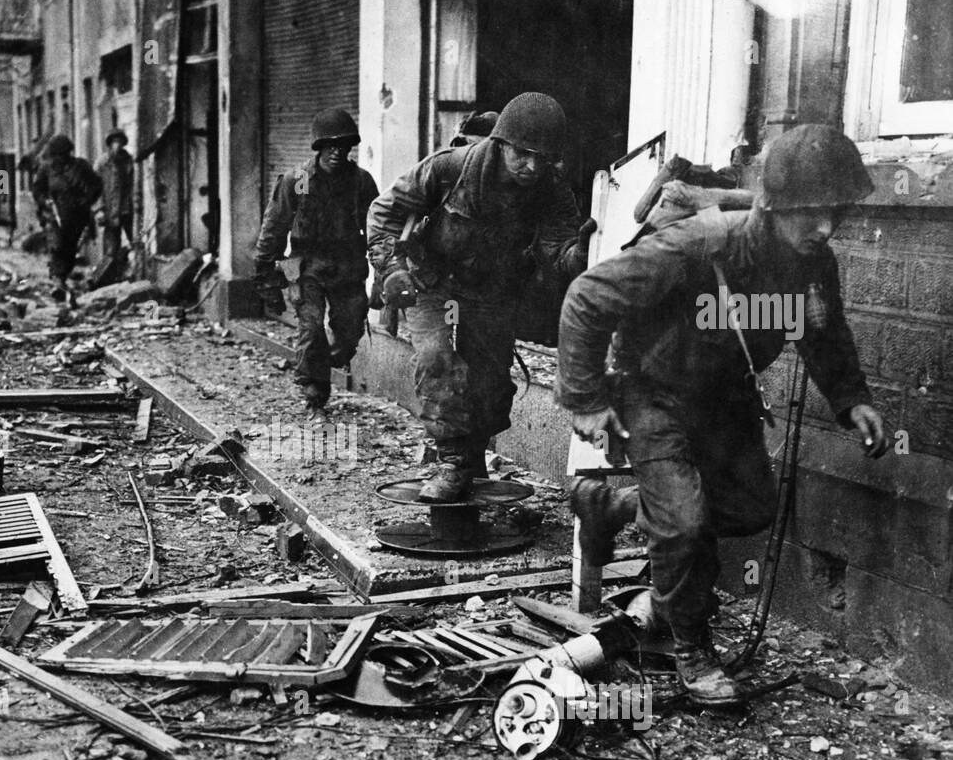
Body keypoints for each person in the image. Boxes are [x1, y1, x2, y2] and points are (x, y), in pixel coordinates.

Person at [556, 124, 888, 707]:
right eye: (811, 212)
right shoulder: (698, 245)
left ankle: (611, 504)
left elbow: (824, 334)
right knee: (684, 522)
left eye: (835, 211)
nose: (825, 227)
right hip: (652, 394)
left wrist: (851, 399)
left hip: (724, 399)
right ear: (774, 204)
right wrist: (586, 400)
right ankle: (690, 646)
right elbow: (587, 298)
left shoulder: (813, 264)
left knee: (749, 507)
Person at [367, 92, 593, 501]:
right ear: (501, 143)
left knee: (490, 386)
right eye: (523, 154)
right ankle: (451, 460)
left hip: (492, 290)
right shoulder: (449, 167)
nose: (532, 166)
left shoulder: (552, 191)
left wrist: (582, 252)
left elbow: (557, 254)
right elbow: (384, 213)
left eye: (543, 158)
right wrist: (391, 269)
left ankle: (468, 456)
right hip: (433, 282)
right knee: (436, 359)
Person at [253, 107, 380, 415]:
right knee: (311, 330)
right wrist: (264, 272)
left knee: (349, 332)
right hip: (308, 265)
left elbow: (379, 226)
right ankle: (315, 397)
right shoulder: (297, 181)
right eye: (330, 145)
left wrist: (384, 271)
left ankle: (330, 359)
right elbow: (275, 225)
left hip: (348, 265)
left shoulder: (361, 182)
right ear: (319, 147)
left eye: (344, 145)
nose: (338, 151)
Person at [31, 134, 102, 301]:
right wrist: (45, 201)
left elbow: (96, 185)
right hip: (54, 215)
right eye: (57, 155)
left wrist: (86, 200)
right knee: (57, 246)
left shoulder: (81, 166)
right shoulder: (46, 169)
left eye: (63, 154)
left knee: (70, 249)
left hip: (76, 216)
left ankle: (62, 278)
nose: (60, 158)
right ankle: (58, 281)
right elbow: (37, 190)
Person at [95, 128, 134, 285]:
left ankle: (137, 276)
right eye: (114, 142)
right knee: (111, 249)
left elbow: (134, 184)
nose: (117, 145)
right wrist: (99, 209)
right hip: (110, 211)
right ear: (110, 144)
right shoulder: (102, 163)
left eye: (120, 142)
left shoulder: (129, 161)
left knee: (137, 243)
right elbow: (95, 189)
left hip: (127, 210)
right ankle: (107, 281)